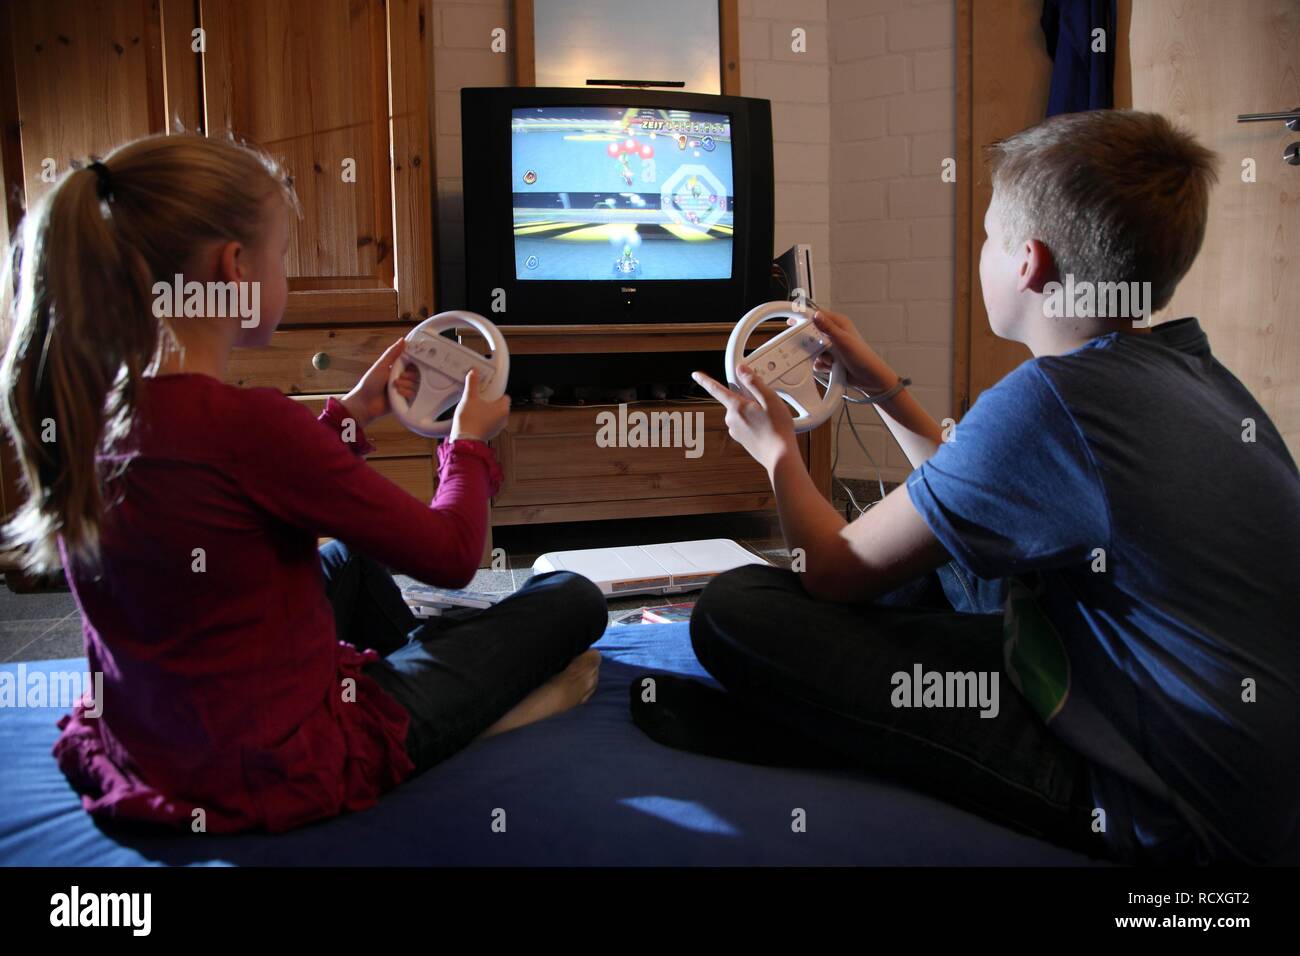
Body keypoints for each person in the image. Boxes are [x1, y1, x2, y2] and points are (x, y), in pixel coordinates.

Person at [636, 110, 1300, 865]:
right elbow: (972, 489)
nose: (980, 252)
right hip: (1234, 768)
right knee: (932, 557)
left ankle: (803, 722)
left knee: (735, 611)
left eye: (987, 237)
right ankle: (814, 712)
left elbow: (828, 572)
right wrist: (886, 392)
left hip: (1164, 807)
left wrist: (776, 453)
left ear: (1029, 263)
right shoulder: (1197, 371)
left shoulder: (1050, 401)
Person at [0, 133, 607, 834]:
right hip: (274, 763)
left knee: (347, 560)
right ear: (234, 268)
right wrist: (467, 443)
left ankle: (441, 678)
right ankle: (465, 714)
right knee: (571, 596)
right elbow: (451, 553)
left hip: (151, 743)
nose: (285, 270)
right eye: (282, 255)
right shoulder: (250, 426)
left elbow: (230, 488)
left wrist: (351, 412)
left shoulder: (94, 409)